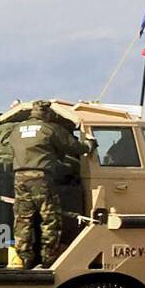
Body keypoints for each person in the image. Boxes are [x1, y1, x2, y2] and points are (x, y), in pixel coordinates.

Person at [9, 100, 90, 270]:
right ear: (46, 113)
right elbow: (72, 146)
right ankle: (48, 261)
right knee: (49, 218)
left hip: (19, 177)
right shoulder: (49, 129)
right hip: (40, 177)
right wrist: (88, 145)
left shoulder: (17, 130)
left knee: (23, 219)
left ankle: (24, 259)